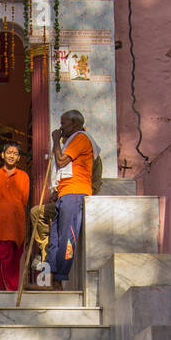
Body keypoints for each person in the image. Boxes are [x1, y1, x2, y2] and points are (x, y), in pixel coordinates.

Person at [47, 110, 96, 290]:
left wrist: (55, 140)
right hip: (64, 193)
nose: (61, 127)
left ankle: (60, 278)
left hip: (75, 193)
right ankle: (50, 277)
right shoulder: (70, 141)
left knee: (67, 237)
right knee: (55, 237)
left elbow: (61, 161)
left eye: (64, 123)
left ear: (75, 124)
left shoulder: (81, 138)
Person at [0, 142, 31, 291]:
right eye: (9, 153)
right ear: (2, 155)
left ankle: (11, 288)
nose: (12, 156)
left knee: (13, 259)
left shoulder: (24, 176)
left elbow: (23, 200)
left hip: (15, 223)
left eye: (15, 154)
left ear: (18, 159)